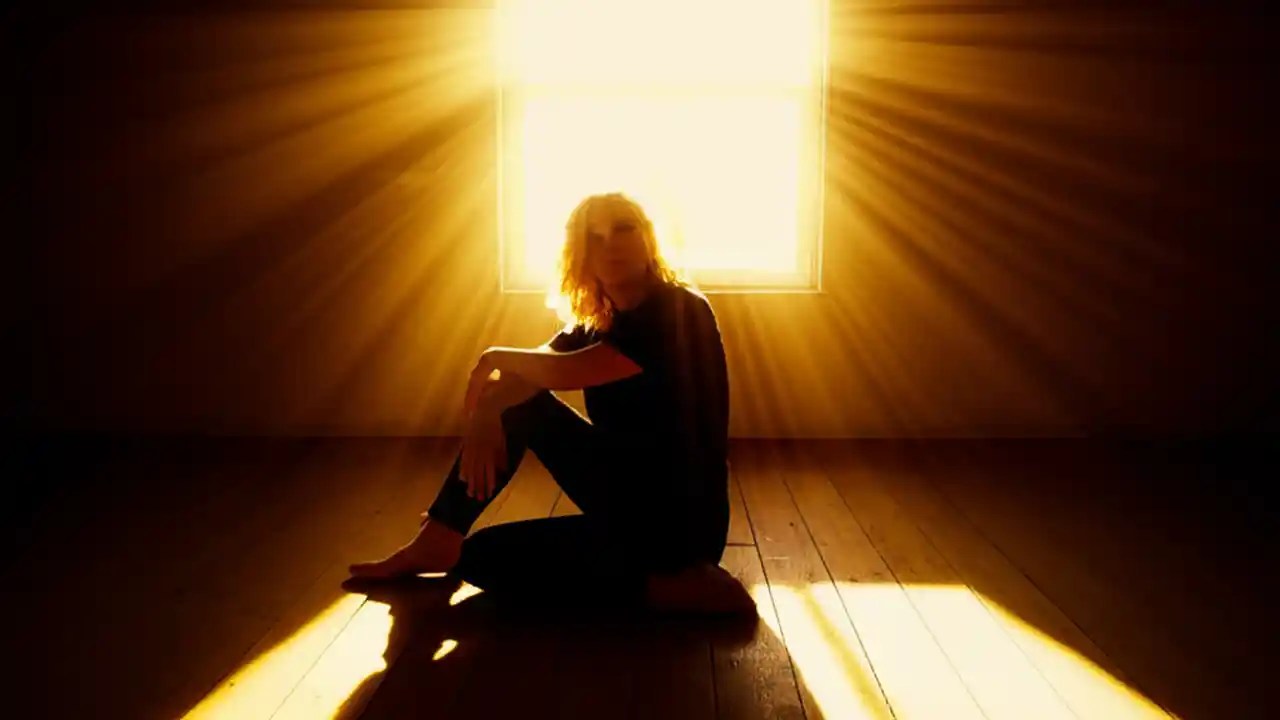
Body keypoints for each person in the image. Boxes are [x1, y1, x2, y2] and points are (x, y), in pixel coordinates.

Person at [349, 192, 752, 614]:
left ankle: (673, 585)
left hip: (681, 523)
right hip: (625, 506)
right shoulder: (598, 322)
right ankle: (440, 538)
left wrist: (493, 358)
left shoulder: (679, 309)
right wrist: (488, 410)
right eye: (593, 237)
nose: (610, 244)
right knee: (480, 557)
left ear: (648, 239)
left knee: (524, 413)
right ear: (580, 254)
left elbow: (562, 372)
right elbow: (530, 374)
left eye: (623, 229)